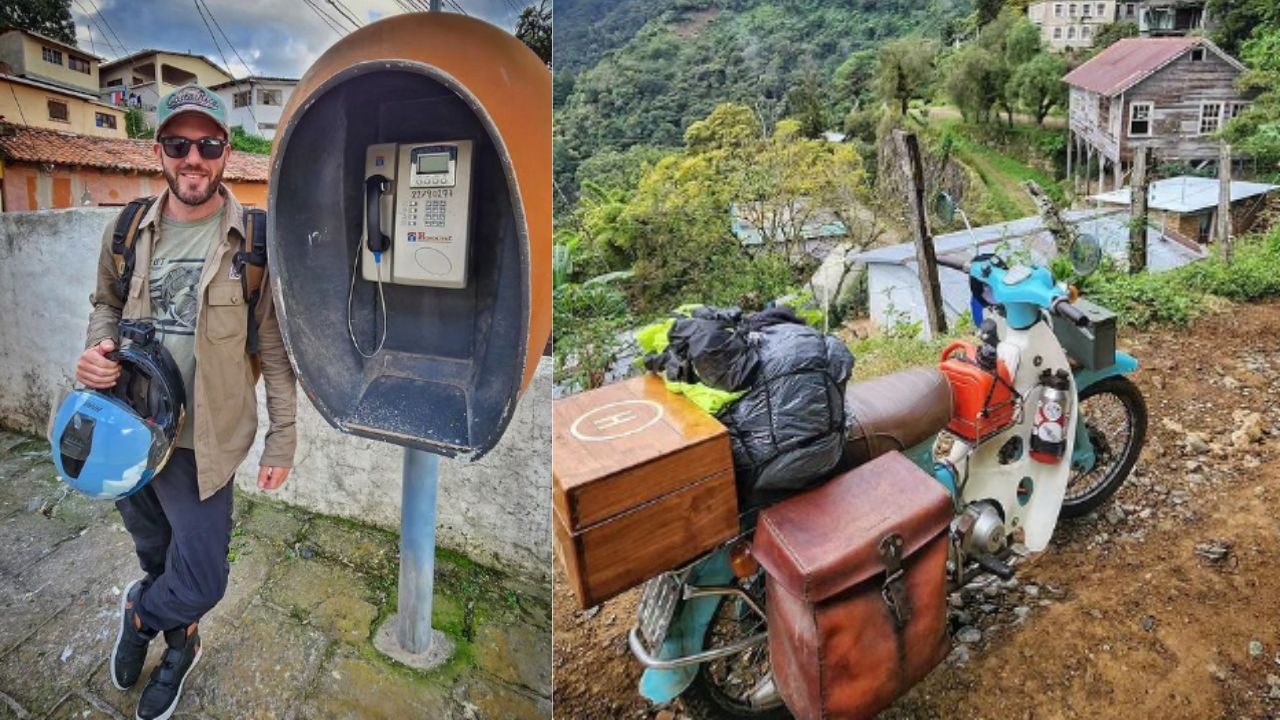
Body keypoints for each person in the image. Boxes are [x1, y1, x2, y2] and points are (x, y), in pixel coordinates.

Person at [73, 84, 297, 720]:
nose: (192, 158)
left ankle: (140, 614)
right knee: (154, 554)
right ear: (160, 151)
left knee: (200, 578)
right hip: (130, 428)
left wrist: (283, 437)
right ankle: (182, 645)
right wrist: (97, 351)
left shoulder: (253, 242)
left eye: (207, 145)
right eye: (179, 144)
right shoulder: (126, 229)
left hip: (204, 444)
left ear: (227, 152)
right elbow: (106, 307)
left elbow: (276, 351)